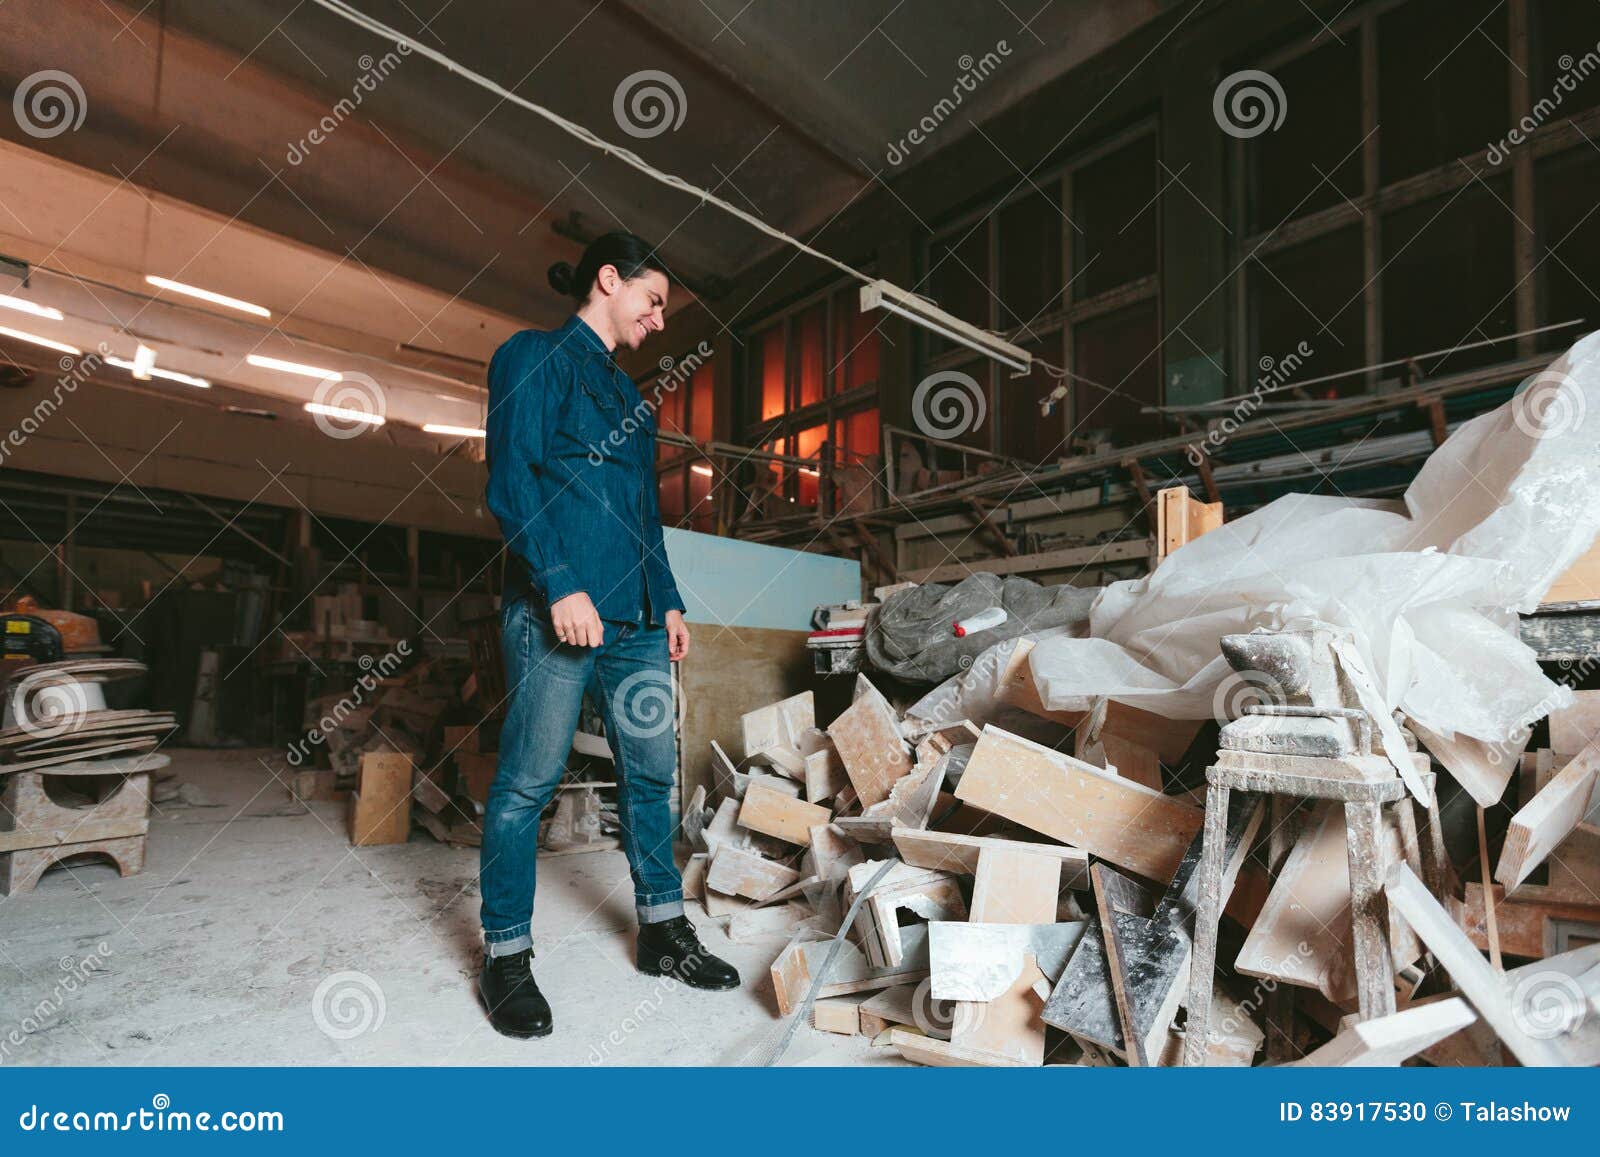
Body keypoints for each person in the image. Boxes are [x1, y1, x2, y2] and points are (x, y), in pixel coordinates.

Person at [477, 232, 739, 1040]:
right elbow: (511, 481)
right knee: (528, 783)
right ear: (607, 281)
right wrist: (559, 582)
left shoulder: (634, 403)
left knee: (653, 777)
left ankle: (662, 928)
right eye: (653, 300)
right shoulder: (529, 358)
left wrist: (667, 600)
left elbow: (644, 519)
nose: (660, 320)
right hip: (555, 613)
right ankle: (507, 956)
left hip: (632, 625)